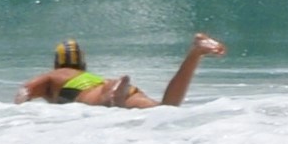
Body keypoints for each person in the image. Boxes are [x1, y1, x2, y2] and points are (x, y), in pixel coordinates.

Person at [20, 33, 225, 109]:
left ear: (57, 62)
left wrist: (18, 111)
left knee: (105, 104)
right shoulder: (88, 76)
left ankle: (112, 98)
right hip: (113, 86)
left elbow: (25, 92)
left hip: (97, 93)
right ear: (83, 64)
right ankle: (195, 53)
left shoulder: (54, 76)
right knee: (166, 108)